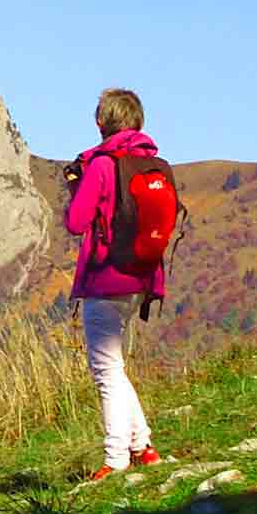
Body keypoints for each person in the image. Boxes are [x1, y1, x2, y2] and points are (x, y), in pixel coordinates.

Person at [64, 89, 174, 475]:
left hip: (106, 279)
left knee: (105, 371)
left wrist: (77, 187)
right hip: (142, 278)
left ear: (100, 123)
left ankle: (115, 460)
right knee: (115, 365)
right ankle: (142, 446)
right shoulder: (153, 165)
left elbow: (76, 222)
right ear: (138, 122)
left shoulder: (103, 166)